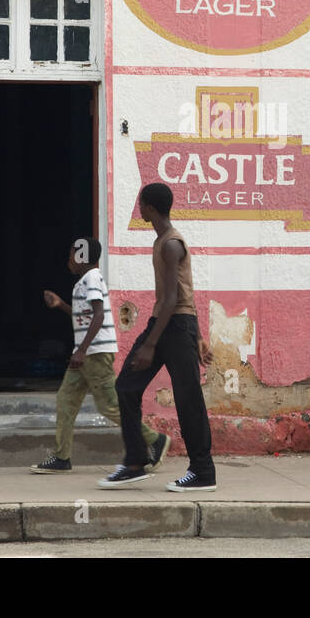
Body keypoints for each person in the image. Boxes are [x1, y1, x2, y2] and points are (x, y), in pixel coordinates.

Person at [98, 183, 217, 491]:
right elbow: (186, 291)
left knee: (188, 398)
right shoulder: (162, 241)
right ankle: (135, 462)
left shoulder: (171, 244)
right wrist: (199, 335)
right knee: (126, 386)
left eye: (141, 204)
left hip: (174, 326)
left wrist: (152, 344)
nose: (139, 208)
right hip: (169, 323)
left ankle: (203, 472)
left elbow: (174, 298)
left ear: (149, 208)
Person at [32, 237, 169, 474]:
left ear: (81, 257)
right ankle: (62, 457)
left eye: (71, 254)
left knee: (110, 406)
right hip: (86, 355)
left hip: (94, 354)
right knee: (65, 402)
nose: (68, 260)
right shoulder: (85, 281)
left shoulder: (92, 278)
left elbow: (98, 315)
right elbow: (85, 315)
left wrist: (82, 350)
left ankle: (154, 439)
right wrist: (61, 304)